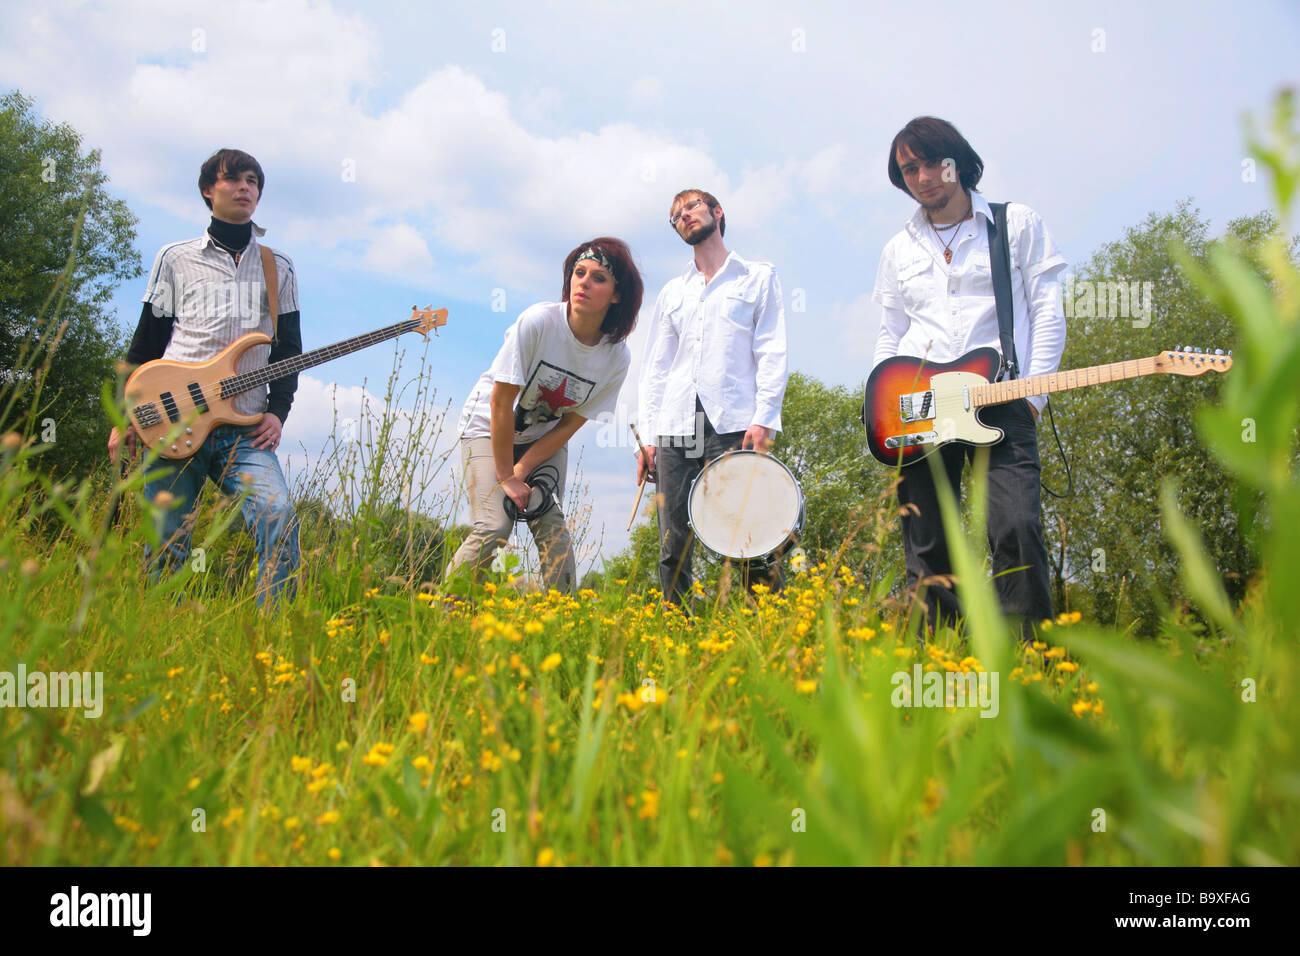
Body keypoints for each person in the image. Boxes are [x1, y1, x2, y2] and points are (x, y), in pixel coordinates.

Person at [871, 116, 1067, 638]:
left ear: (958, 161)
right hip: (917, 406)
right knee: (927, 538)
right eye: (909, 169)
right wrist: (883, 406)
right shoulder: (898, 249)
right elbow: (890, 336)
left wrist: (1034, 399)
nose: (923, 176)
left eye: (933, 162)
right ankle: (937, 656)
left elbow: (1047, 311)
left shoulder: (1015, 223)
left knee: (1016, 526)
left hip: (1003, 395)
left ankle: (1026, 664)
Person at [108, 148, 302, 606]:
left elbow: (289, 351)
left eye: (253, 181)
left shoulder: (281, 268)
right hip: (172, 418)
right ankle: (159, 637)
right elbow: (146, 344)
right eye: (233, 179)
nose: (245, 188)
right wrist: (125, 417)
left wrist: (277, 413)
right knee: (168, 540)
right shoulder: (174, 258)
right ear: (207, 192)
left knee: (278, 516)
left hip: (245, 429)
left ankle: (273, 641)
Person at [446, 238, 642, 592]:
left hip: (545, 436)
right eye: (578, 273)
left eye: (598, 278)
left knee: (552, 529)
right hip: (488, 426)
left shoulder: (616, 358)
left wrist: (523, 470)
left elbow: (570, 424)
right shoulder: (538, 322)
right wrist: (507, 476)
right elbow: (500, 404)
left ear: (616, 295)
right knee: (495, 524)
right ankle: (446, 611)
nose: (583, 282)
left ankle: (562, 619)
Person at [636, 188, 789, 607]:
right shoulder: (672, 292)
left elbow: (772, 350)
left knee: (747, 531)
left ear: (717, 212)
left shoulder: (757, 276)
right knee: (673, 540)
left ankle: (770, 632)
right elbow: (656, 368)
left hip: (735, 423)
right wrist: (648, 437)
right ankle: (675, 632)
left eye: (692, 207)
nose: (685, 216)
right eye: (677, 216)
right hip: (675, 426)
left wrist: (765, 419)